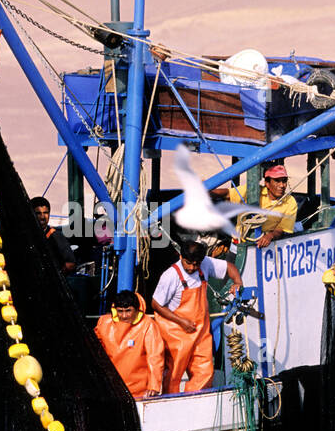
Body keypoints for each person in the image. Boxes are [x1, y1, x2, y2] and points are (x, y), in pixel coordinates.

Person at [151, 240, 242, 393]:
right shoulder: (170, 276)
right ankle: (170, 404)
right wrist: (181, 321)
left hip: (200, 332)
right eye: (188, 263)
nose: (192, 268)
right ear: (181, 257)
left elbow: (229, 267)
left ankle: (195, 402)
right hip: (176, 334)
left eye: (196, 264)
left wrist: (238, 282)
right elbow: (156, 304)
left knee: (205, 371)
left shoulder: (205, 263)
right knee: (173, 375)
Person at [93, 290, 164, 399]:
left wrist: (154, 385)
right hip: (110, 387)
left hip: (139, 392)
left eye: (128, 311)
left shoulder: (148, 325)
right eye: (120, 311)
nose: (124, 316)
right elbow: (94, 350)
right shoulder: (104, 323)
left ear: (136, 310)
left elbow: (155, 357)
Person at [215, 162, 297, 248]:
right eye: (277, 181)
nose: (282, 185)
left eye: (284, 181)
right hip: (238, 244)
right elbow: (227, 194)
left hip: (265, 246)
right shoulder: (251, 190)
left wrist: (270, 236)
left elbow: (281, 229)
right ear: (267, 183)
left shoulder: (290, 202)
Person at [31, 196, 76, 274]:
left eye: (45, 213)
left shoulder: (57, 237)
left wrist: (57, 274)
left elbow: (71, 263)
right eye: (38, 213)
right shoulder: (25, 235)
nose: (42, 217)